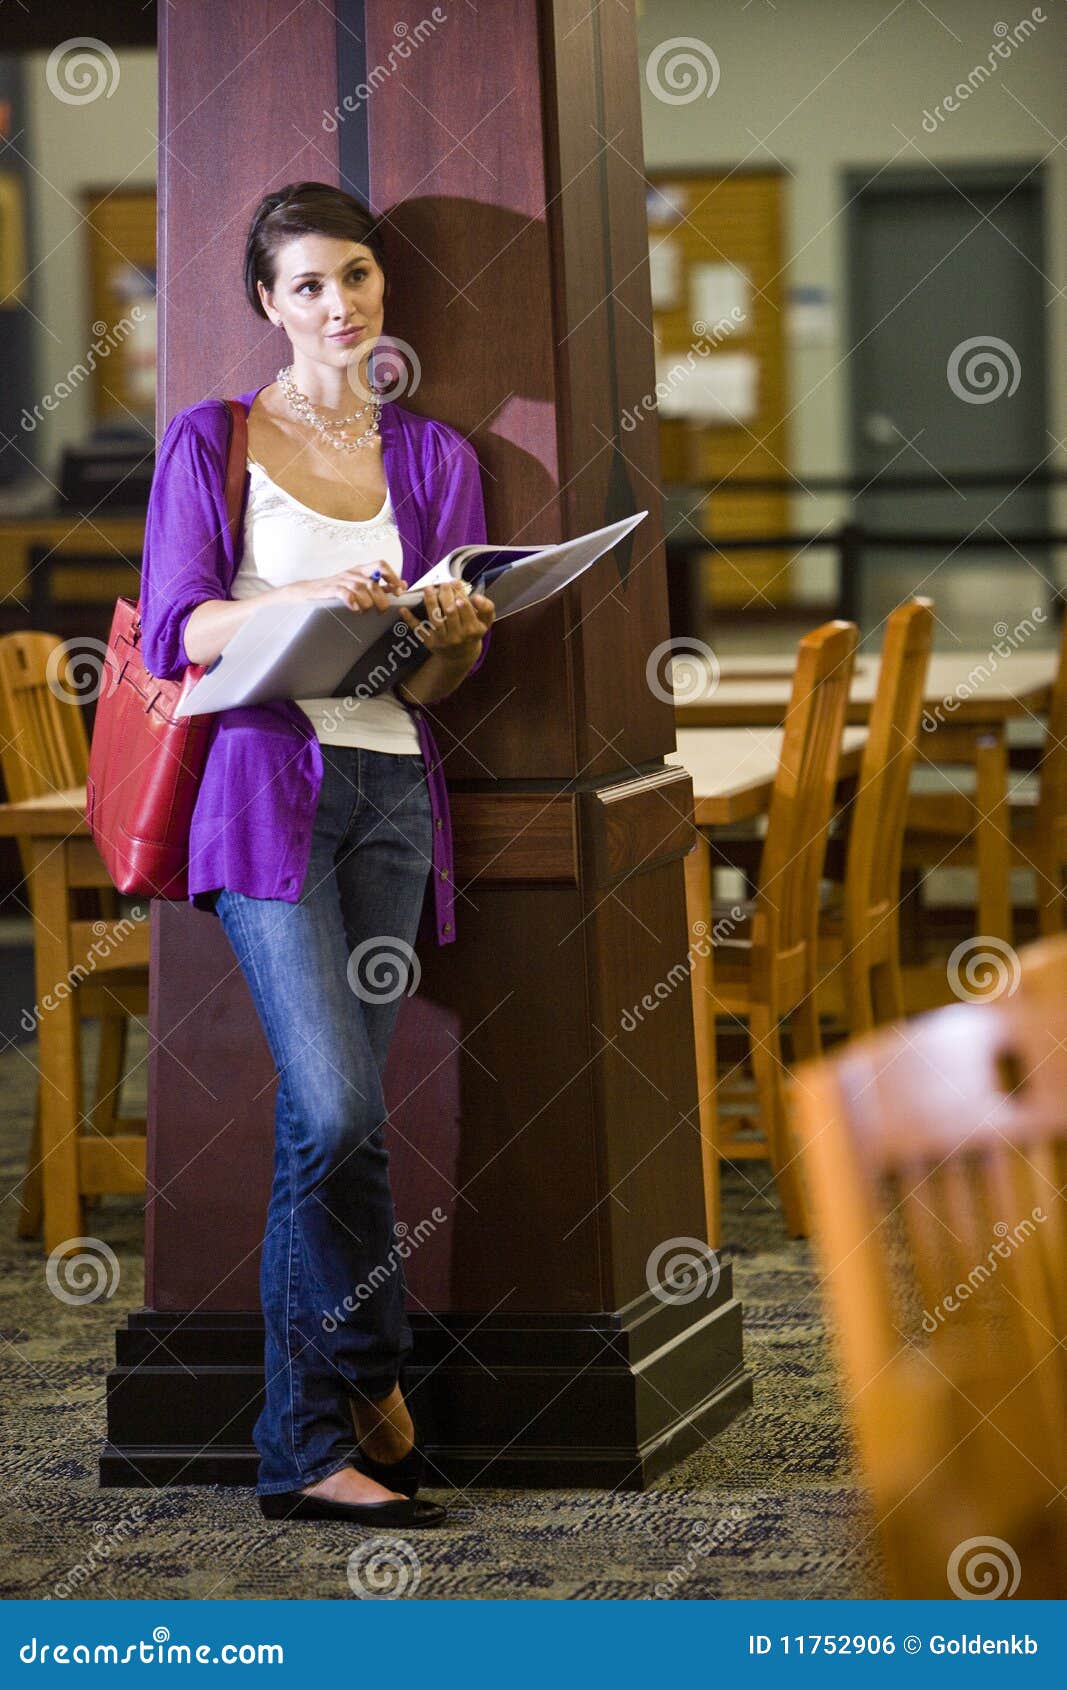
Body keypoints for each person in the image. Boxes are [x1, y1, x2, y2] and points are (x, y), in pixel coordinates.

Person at [139, 181, 495, 1527]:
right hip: (263, 799)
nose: (337, 304)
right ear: (265, 305)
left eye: (356, 276)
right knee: (341, 1111)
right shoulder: (211, 441)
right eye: (306, 285)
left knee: (326, 1122)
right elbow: (185, 627)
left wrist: (451, 626)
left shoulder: (435, 458)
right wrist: (306, 592)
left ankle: (304, 1446)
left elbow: (434, 682)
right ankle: (371, 1372)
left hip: (393, 793)